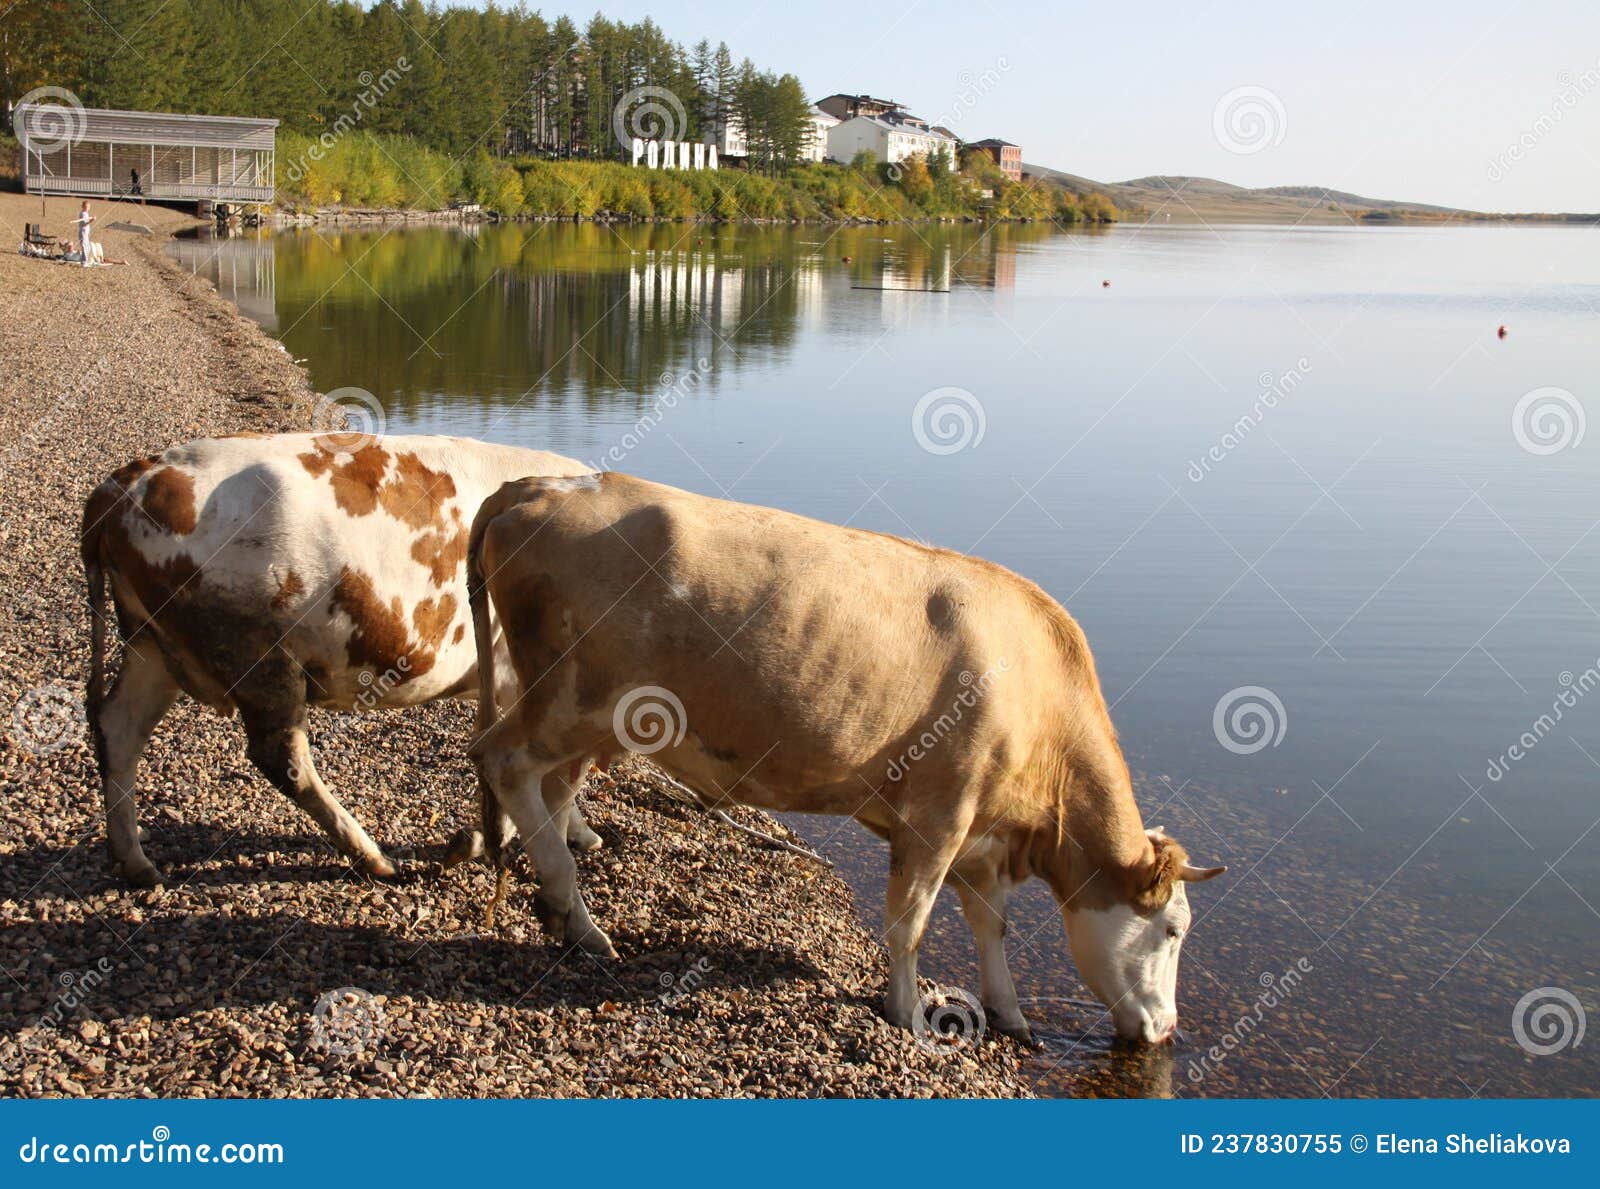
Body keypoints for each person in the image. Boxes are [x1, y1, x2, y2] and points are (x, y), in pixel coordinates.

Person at [76, 201, 94, 268]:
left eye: (88, 207)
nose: (87, 208)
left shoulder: (86, 213)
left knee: (88, 247)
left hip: (86, 233)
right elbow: (84, 223)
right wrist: (92, 220)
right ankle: (84, 262)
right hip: (83, 232)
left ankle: (85, 261)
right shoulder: (83, 213)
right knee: (84, 247)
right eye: (86, 207)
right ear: (82, 207)